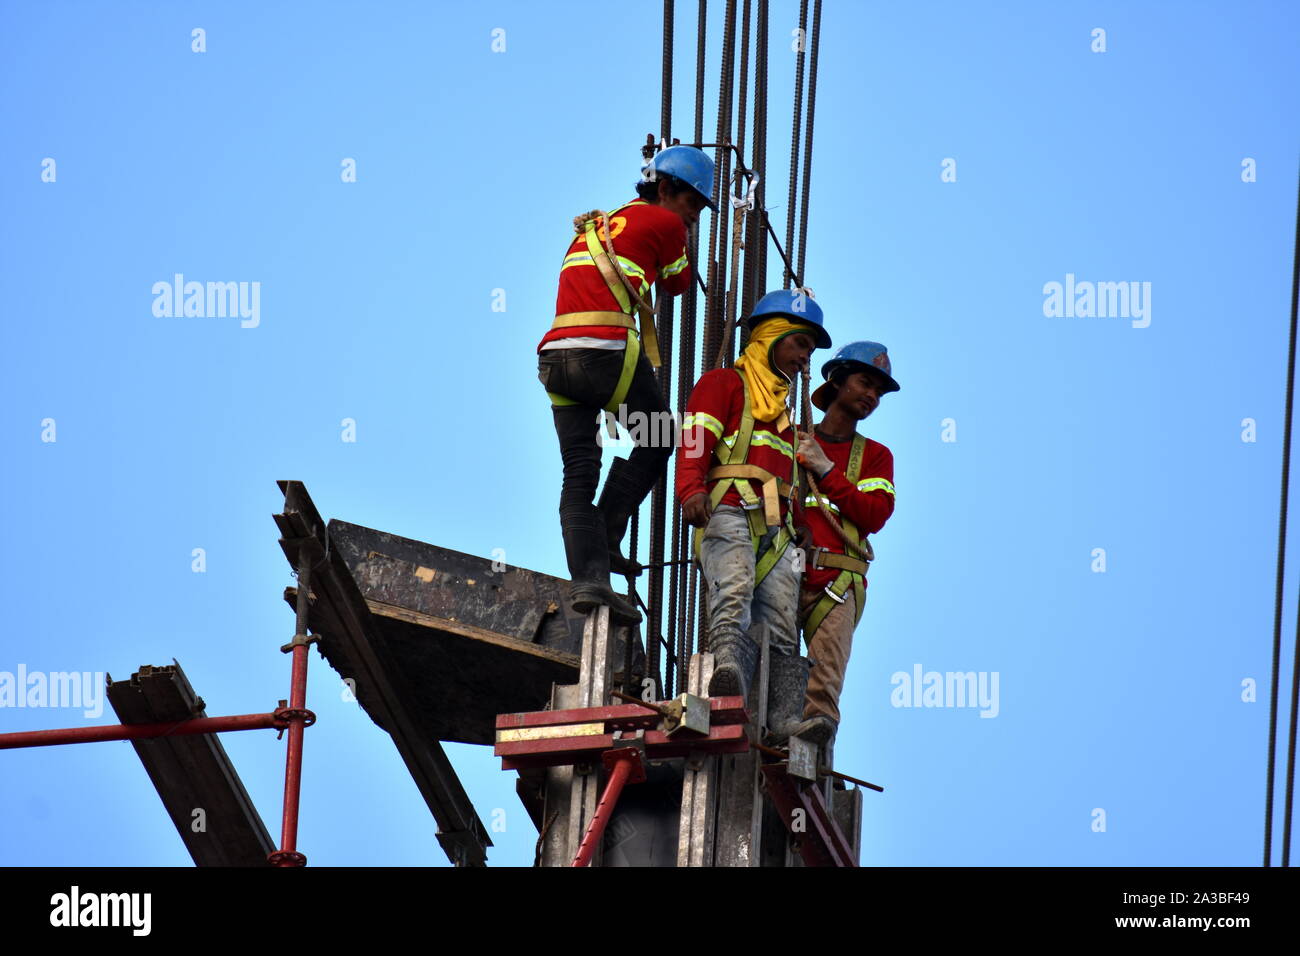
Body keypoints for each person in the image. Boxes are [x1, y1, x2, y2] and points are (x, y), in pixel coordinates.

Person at [538, 146, 715, 624]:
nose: (694, 217)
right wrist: (677, 241)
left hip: (556, 358)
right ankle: (607, 530)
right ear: (664, 189)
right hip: (605, 350)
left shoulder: (600, 222)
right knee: (660, 439)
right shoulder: (667, 225)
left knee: (578, 470)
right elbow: (677, 285)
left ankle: (590, 580)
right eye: (693, 204)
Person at [675, 290, 832, 707]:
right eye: (800, 343)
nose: (805, 359)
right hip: (728, 510)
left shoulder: (784, 416)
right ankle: (728, 676)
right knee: (734, 590)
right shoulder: (724, 384)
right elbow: (694, 442)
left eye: (811, 351)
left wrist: (802, 526)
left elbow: (788, 477)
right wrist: (691, 490)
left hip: (779, 533)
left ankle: (779, 714)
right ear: (771, 336)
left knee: (782, 622)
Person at [783, 341, 899, 747]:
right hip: (786, 568)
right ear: (837, 381)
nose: (871, 396)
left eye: (878, 393)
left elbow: (873, 515)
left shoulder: (875, 456)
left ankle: (811, 750)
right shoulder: (791, 438)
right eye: (865, 383)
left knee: (821, 698)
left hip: (837, 582)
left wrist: (825, 469)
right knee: (769, 668)